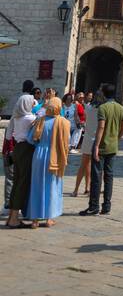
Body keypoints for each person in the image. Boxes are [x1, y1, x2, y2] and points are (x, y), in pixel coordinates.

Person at [80, 82, 123, 217]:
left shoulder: (103, 108)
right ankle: (106, 206)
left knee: (96, 176)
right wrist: (117, 138)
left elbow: (101, 127)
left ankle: (93, 206)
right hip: (113, 145)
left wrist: (96, 146)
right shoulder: (121, 108)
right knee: (109, 176)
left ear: (104, 94)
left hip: (101, 146)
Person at [26, 96, 70, 226]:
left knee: (36, 185)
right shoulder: (64, 122)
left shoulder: (40, 121)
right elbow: (67, 141)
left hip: (39, 154)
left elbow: (30, 139)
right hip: (54, 155)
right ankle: (49, 218)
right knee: (51, 186)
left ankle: (34, 220)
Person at [5, 84, 38, 228]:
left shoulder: (17, 117)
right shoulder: (30, 118)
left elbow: (8, 134)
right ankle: (13, 219)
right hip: (26, 149)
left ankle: (12, 215)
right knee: (22, 183)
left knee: (17, 181)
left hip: (17, 148)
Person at [72, 93, 100, 198]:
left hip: (88, 139)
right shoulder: (102, 109)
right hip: (97, 139)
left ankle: (76, 190)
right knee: (95, 167)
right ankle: (90, 189)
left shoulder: (88, 107)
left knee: (83, 166)